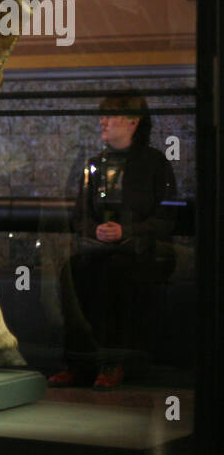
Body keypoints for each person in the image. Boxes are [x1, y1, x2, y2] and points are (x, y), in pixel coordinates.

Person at [51, 92, 176, 391]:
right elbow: (80, 216)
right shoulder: (95, 164)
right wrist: (95, 231)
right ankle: (77, 362)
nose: (102, 121)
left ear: (134, 122)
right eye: (103, 115)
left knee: (117, 271)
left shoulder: (156, 164)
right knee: (73, 269)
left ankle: (113, 362)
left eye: (111, 116)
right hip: (101, 249)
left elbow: (168, 218)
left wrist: (127, 232)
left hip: (143, 251)